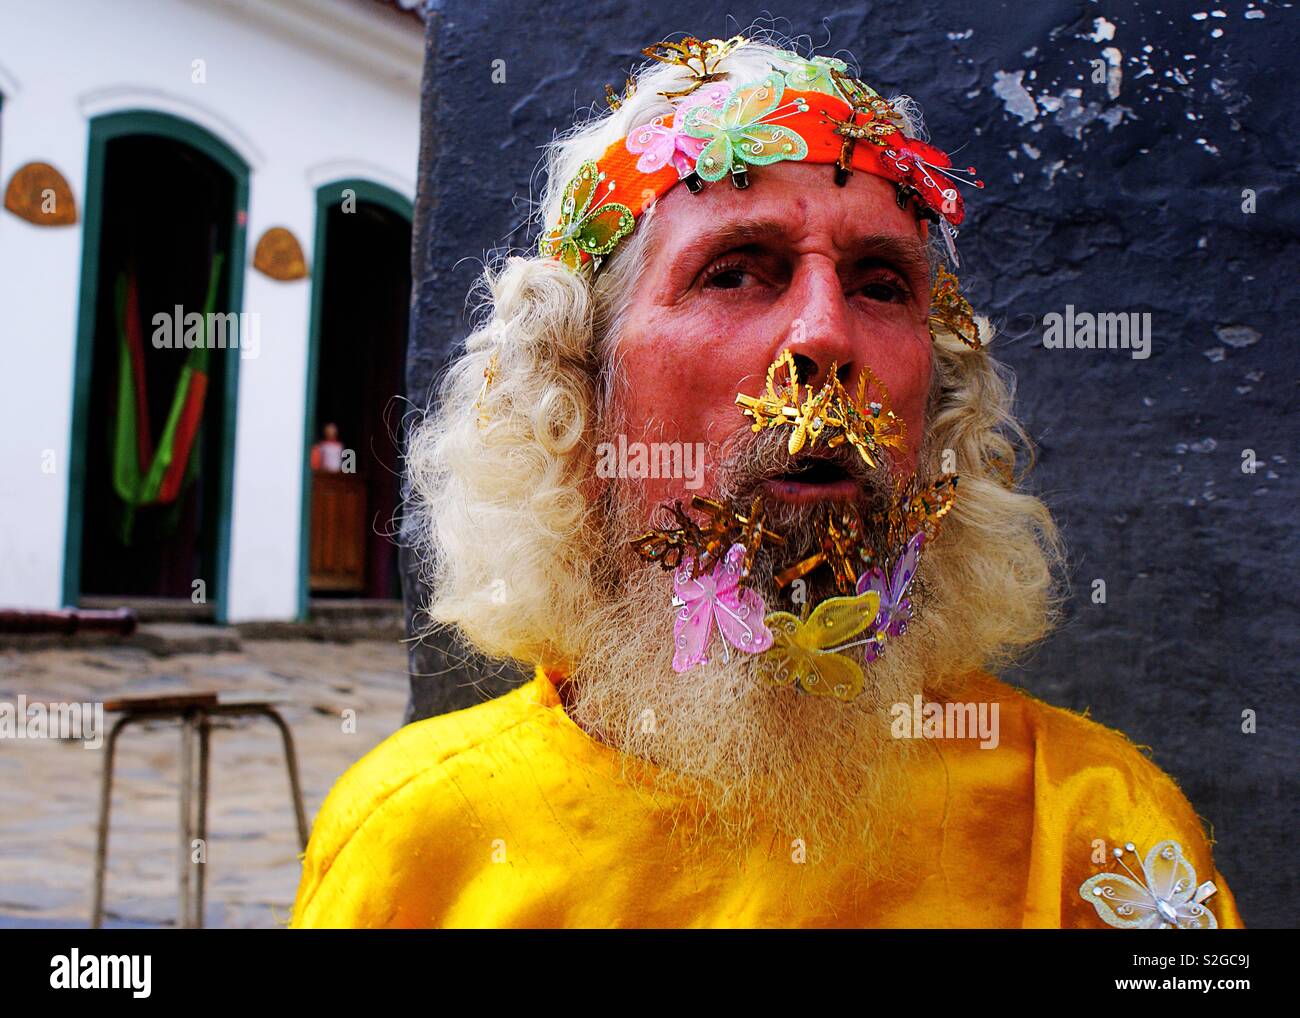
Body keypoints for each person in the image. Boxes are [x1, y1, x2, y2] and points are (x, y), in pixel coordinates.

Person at [290, 33, 1242, 928]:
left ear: (939, 407)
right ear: (578, 389)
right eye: (738, 272)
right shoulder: (419, 843)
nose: (825, 335)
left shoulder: (1086, 832)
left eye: (879, 283)